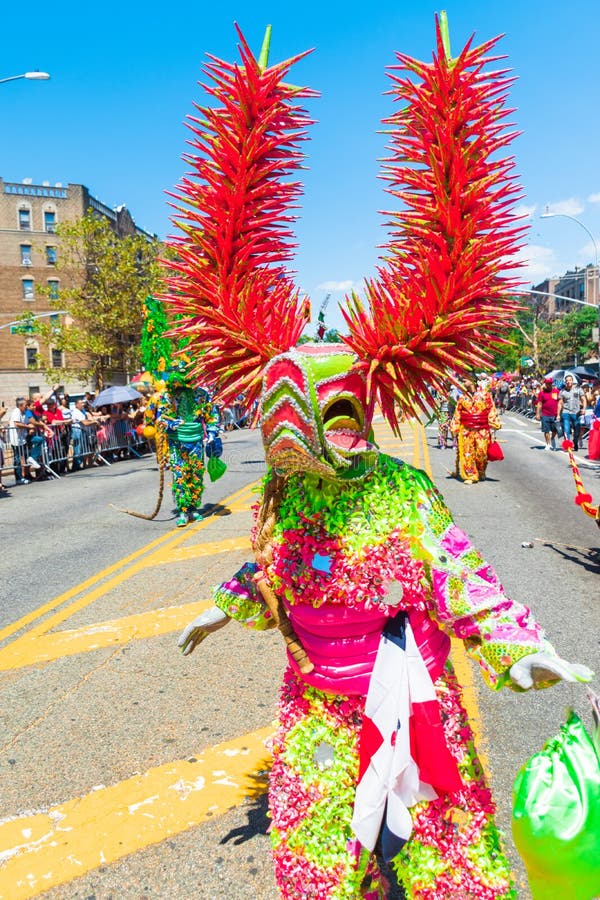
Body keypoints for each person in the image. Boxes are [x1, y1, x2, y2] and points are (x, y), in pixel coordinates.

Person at [169, 20, 594, 899]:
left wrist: (524, 646)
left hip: (410, 695)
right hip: (317, 712)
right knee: (319, 859)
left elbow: (458, 574)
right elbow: (274, 568)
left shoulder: (399, 488)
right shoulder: (284, 494)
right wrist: (222, 608)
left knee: (450, 850)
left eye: (331, 413)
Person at [155, 362, 221, 527]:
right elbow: (161, 417)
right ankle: (183, 510)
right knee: (180, 474)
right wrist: (171, 423)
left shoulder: (201, 394)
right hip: (177, 441)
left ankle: (193, 507)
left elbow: (211, 414)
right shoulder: (168, 396)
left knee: (196, 473)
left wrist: (212, 433)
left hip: (196, 440)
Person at [450, 377, 501, 483]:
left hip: (482, 430)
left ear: (472, 381)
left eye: (464, 380)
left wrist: (494, 424)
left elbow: (491, 409)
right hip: (466, 430)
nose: (462, 382)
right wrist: (454, 427)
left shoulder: (485, 395)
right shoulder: (462, 397)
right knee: (467, 452)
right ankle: (470, 475)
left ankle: (481, 470)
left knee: (481, 453)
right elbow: (458, 413)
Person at [557, 374, 586, 450]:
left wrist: (584, 409)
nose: (568, 382)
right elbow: (560, 403)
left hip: (576, 413)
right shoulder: (562, 391)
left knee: (577, 430)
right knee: (566, 429)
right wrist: (558, 415)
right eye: (567, 381)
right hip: (566, 412)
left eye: (570, 380)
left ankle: (575, 441)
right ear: (565, 382)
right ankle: (568, 445)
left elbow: (583, 399)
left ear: (572, 381)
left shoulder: (578, 389)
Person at [535, 376, 560, 450]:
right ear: (545, 384)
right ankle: (548, 444)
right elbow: (539, 404)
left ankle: (552, 438)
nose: (548, 385)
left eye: (550, 383)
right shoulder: (542, 393)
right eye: (547, 383)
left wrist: (559, 413)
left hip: (554, 414)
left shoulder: (556, 391)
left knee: (555, 430)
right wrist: (538, 414)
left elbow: (560, 402)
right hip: (545, 414)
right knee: (546, 430)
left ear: (552, 384)